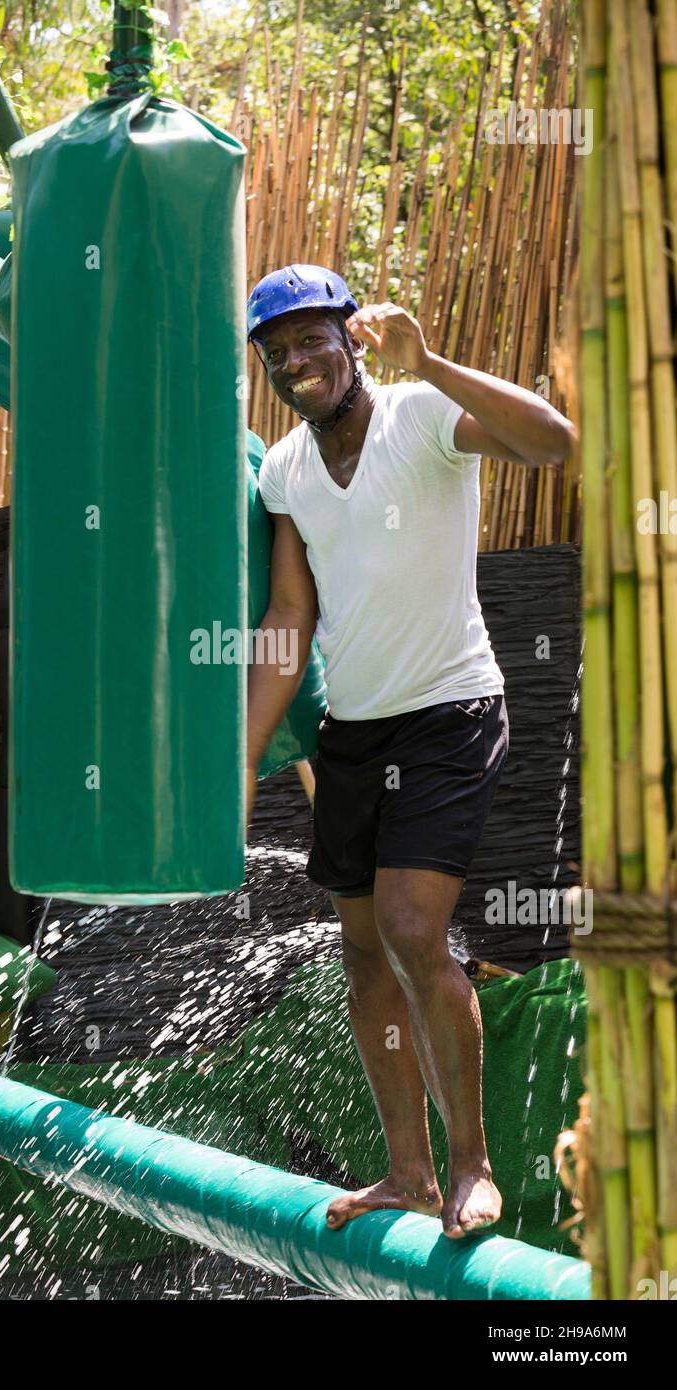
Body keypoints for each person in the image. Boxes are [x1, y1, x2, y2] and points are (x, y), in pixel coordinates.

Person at [245, 264, 576, 1239]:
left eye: (312, 337)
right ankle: (407, 1173)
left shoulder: (424, 412)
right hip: (353, 729)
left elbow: (551, 443)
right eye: (277, 350)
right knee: (360, 959)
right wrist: (237, 756)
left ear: (351, 335)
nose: (297, 360)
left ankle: (471, 1163)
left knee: (409, 927)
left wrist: (429, 359)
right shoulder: (283, 470)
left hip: (449, 711)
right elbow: (286, 614)